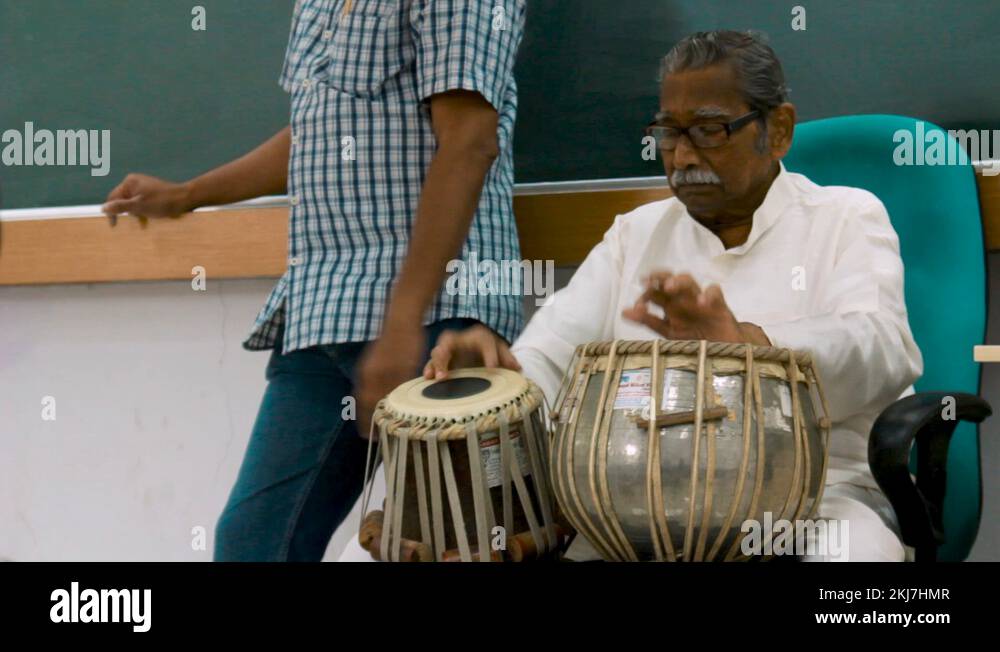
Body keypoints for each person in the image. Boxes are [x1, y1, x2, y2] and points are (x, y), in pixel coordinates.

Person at [415, 30, 923, 562]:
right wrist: (496, 378)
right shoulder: (634, 235)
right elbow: (548, 361)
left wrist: (751, 346)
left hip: (816, 501)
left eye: (708, 130)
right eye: (668, 132)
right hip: (638, 510)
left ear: (778, 130)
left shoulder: (844, 217)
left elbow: (884, 347)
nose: (681, 156)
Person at [102, 0, 527, 561]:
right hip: (323, 306)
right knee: (253, 543)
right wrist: (188, 195)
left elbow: (470, 140)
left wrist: (400, 321)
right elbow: (320, 131)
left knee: (451, 546)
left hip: (434, 318)